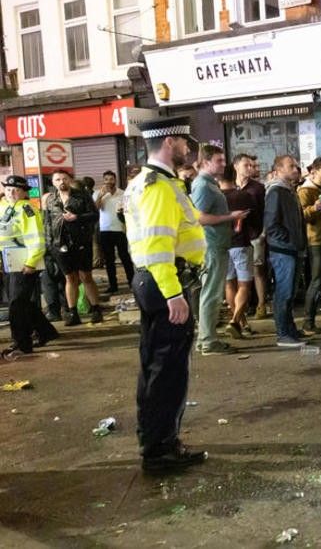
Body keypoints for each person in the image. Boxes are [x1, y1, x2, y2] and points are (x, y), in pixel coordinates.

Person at [123, 116, 207, 472]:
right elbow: (158, 246)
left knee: (156, 366)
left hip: (155, 281)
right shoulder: (158, 186)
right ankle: (160, 449)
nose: (188, 149)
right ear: (170, 142)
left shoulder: (147, 182)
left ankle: (156, 440)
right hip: (164, 282)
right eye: (185, 142)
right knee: (168, 370)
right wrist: (174, 294)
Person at [190, 145, 248, 355]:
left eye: (223, 160)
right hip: (212, 245)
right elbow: (200, 218)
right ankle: (208, 341)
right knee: (212, 294)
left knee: (212, 293)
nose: (224, 164)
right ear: (205, 162)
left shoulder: (208, 184)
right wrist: (230, 217)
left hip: (217, 244)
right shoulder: (203, 185)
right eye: (219, 160)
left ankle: (205, 339)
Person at [0, 175, 59, 359]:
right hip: (8, 261)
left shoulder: (27, 209)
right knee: (22, 302)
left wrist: (31, 262)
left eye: (16, 190)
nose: (11, 192)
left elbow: (36, 238)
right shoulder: (3, 206)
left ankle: (22, 343)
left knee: (17, 305)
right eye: (8, 189)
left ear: (24, 192)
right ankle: (46, 331)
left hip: (23, 262)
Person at [45, 170, 102, 325]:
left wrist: (77, 217)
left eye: (64, 178)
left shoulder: (82, 196)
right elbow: (47, 223)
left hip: (81, 242)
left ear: (70, 180)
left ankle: (96, 310)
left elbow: (95, 215)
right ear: (53, 182)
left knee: (86, 277)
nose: (61, 182)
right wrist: (50, 245)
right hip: (60, 244)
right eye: (58, 179)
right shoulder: (50, 199)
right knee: (69, 278)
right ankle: (73, 313)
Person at [264, 155, 309, 347]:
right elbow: (271, 224)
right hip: (283, 250)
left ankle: (289, 330)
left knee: (290, 292)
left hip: (292, 248)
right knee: (284, 292)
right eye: (291, 166)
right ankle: (283, 333)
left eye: (296, 166)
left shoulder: (289, 191)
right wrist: (288, 240)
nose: (296, 169)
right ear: (279, 169)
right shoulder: (276, 192)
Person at [298, 157, 321, 334]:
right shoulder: (306, 190)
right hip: (316, 241)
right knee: (317, 281)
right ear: (314, 171)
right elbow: (302, 216)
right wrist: (314, 208)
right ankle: (308, 322)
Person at [220, 169, 257, 338]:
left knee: (229, 284)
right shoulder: (243, 196)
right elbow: (255, 218)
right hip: (241, 243)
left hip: (222, 244)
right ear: (234, 176)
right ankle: (235, 321)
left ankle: (242, 323)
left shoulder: (216, 197)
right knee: (244, 285)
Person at [234, 154, 268, 319]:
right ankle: (243, 306)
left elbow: (264, 211)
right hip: (236, 236)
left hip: (255, 234)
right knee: (240, 274)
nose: (250, 168)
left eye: (251, 165)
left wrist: (262, 233)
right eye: (246, 165)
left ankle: (261, 304)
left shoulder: (258, 188)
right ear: (236, 166)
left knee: (257, 269)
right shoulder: (230, 187)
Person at [94, 170, 134, 294]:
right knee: (109, 260)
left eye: (111, 179)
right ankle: (113, 285)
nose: (109, 182)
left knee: (125, 257)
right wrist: (100, 196)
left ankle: (132, 282)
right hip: (105, 230)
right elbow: (95, 209)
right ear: (103, 180)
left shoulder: (123, 193)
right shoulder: (98, 193)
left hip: (120, 229)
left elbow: (128, 210)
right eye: (106, 179)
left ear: (115, 180)